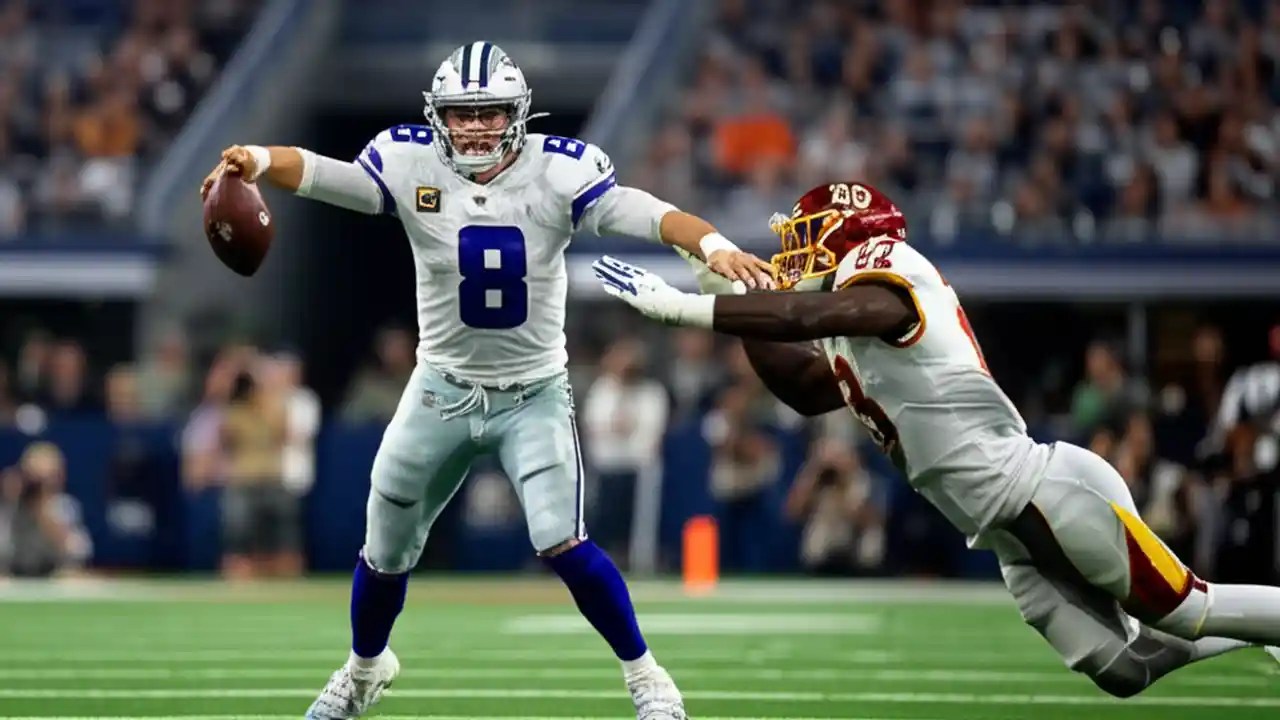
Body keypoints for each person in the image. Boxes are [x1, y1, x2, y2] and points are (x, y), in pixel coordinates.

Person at [200, 41, 773, 720]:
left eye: (490, 112)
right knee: (383, 548)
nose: (474, 127)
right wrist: (258, 160)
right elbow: (324, 174)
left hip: (532, 392)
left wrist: (712, 244)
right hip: (440, 387)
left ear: (518, 114)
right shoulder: (409, 160)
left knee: (562, 540)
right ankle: (362, 672)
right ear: (438, 115)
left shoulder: (557, 171)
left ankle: (649, 679)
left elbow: (643, 210)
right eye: (461, 114)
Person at [594, 180, 1280, 699]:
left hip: (1041, 489)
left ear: (846, 230)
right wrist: (732, 305)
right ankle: (1263, 637)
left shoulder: (889, 269)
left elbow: (822, 310)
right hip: (1003, 529)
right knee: (1126, 669)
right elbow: (805, 391)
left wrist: (689, 307)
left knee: (1187, 608)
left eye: (808, 230)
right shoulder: (848, 327)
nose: (794, 246)